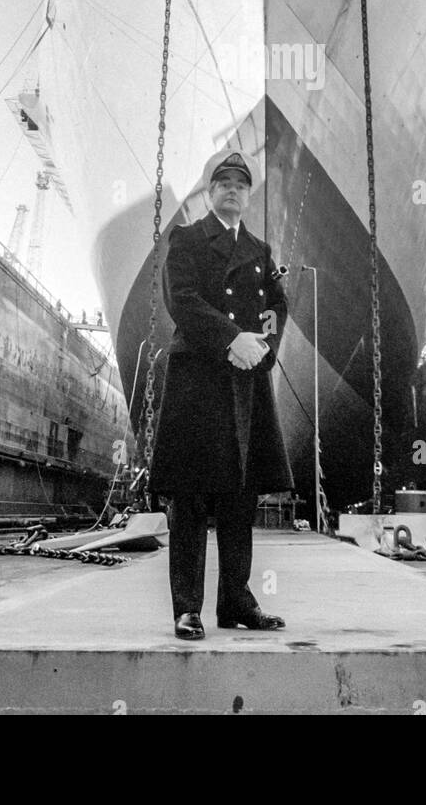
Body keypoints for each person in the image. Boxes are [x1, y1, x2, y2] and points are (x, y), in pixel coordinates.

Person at [148, 148, 293, 640]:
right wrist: (232, 338)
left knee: (239, 496)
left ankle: (236, 601)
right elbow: (180, 298)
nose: (232, 189)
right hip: (198, 379)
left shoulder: (262, 252)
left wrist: (263, 349)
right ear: (210, 192)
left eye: (240, 184)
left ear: (248, 196)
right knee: (190, 497)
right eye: (223, 182)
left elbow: (277, 306)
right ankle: (187, 608)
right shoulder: (187, 238)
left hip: (245, 382)